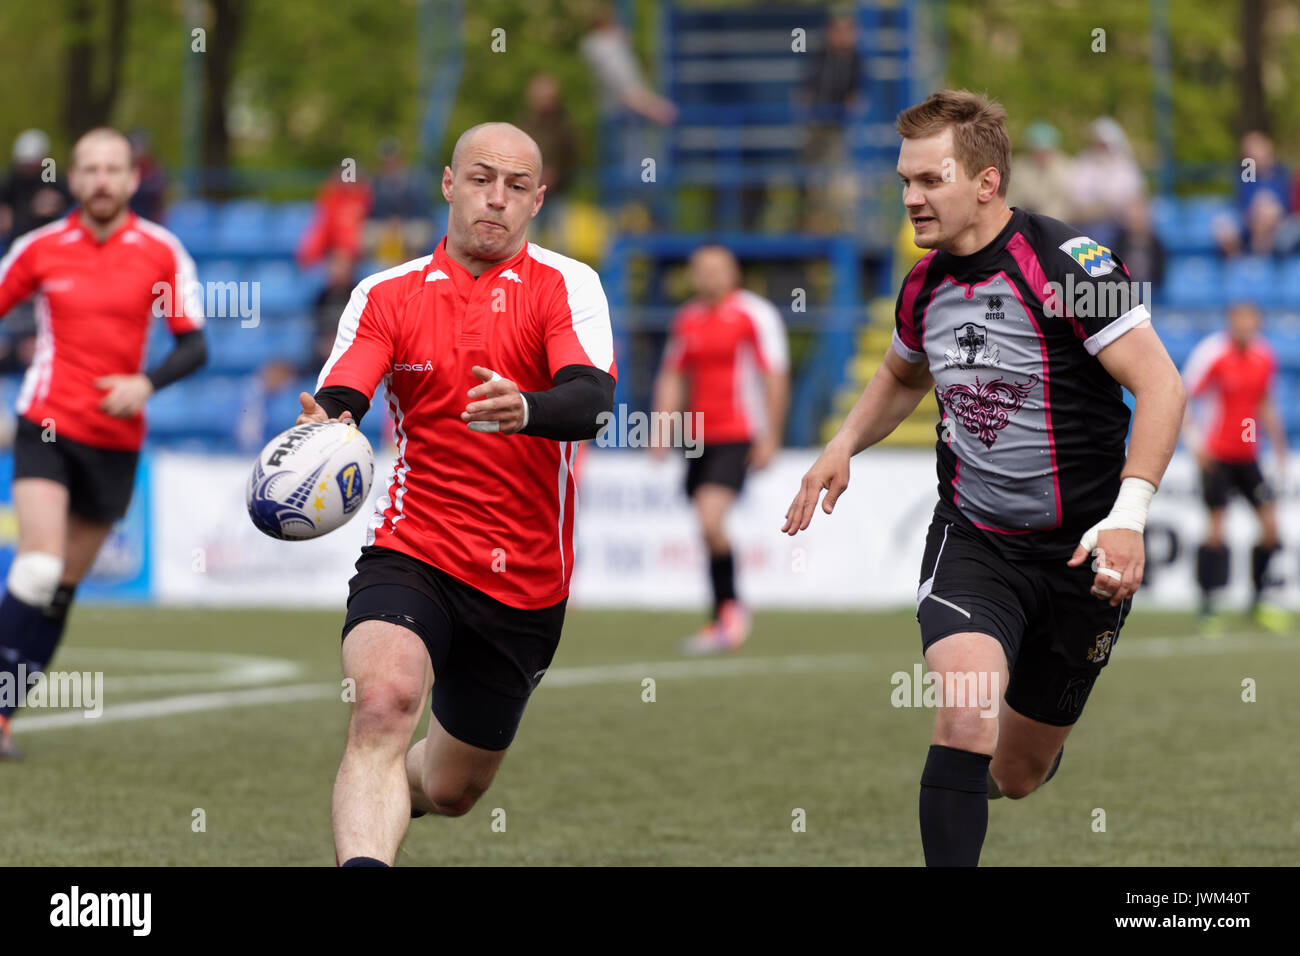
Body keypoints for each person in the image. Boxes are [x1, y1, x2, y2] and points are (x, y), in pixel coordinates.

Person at [783, 90, 1186, 866]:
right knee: (966, 719)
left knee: (1019, 771)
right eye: (904, 182)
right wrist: (843, 445)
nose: (911, 199)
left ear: (986, 182)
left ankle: (1018, 754)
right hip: (978, 544)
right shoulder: (922, 284)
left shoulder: (1074, 264)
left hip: (1082, 556)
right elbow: (903, 376)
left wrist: (1129, 515)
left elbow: (1162, 385)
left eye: (930, 180)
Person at [296, 122, 616, 867]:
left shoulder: (567, 285)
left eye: (515, 186)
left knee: (452, 789)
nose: (495, 199)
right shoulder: (385, 294)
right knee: (383, 704)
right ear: (448, 183)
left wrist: (529, 407)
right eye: (480, 179)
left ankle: (382, 797)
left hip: (526, 581)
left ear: (538, 199)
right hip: (415, 547)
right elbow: (345, 394)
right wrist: (325, 428)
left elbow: (592, 400)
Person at [0, 127, 207, 759]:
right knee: (34, 569)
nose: (100, 180)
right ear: (75, 177)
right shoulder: (39, 248)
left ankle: (5, 717)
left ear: (130, 177)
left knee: (60, 589)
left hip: (115, 443)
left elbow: (195, 345)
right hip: (46, 425)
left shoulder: (161, 251)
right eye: (88, 168)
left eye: (112, 169)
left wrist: (145, 382)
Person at [652, 246, 788, 654]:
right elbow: (673, 375)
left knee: (711, 520)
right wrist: (662, 429)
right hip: (698, 436)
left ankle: (731, 611)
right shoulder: (688, 318)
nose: (708, 277)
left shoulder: (753, 314)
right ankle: (721, 617)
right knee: (704, 525)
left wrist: (770, 435)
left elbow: (774, 375)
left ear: (733, 272)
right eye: (701, 271)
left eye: (716, 270)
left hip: (737, 433)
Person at [1181, 301, 1289, 633]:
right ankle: (1210, 604)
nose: (1246, 326)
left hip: (1248, 455)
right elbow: (1184, 397)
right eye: (1240, 320)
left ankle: (1259, 601)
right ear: (1230, 322)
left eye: (1251, 321)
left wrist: (1280, 446)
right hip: (1217, 455)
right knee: (1216, 529)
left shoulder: (1263, 356)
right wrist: (1196, 445)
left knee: (1271, 528)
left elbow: (1265, 402)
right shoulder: (1213, 354)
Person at [1006, 121, 1074, 223]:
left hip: (1058, 223)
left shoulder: (1065, 167)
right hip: (1024, 221)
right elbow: (1013, 199)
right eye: (1038, 150)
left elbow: (1065, 203)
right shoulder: (1019, 167)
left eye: (1046, 150)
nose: (1042, 155)